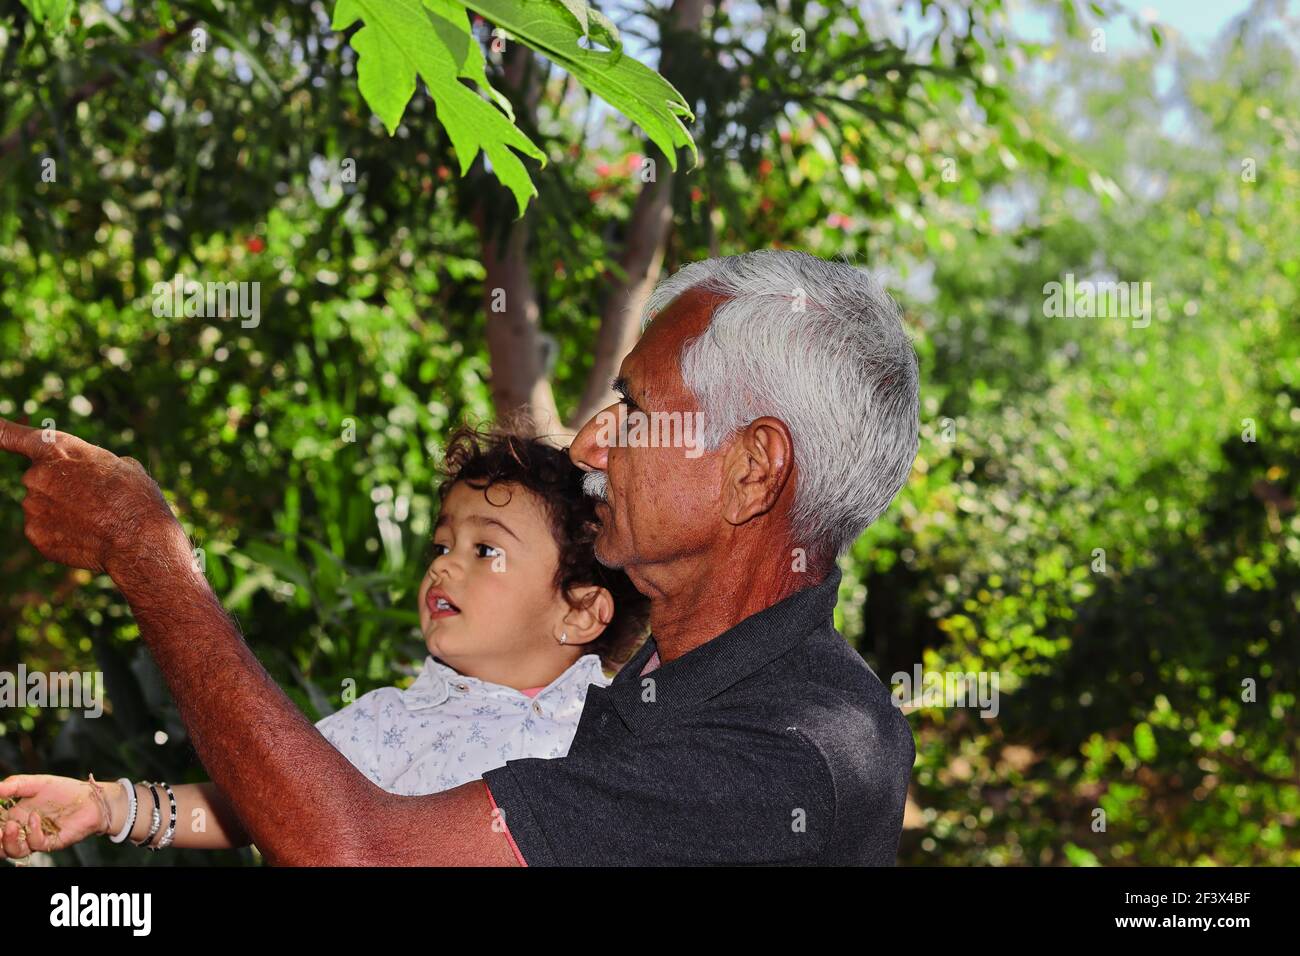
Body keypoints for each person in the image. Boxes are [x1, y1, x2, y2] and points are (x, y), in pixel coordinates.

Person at [0, 249, 920, 865]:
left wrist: (149, 555)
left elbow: (358, 850)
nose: (593, 445)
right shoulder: (665, 678)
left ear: (752, 471)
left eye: (636, 410)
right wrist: (125, 805)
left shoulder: (788, 754)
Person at [0, 424, 647, 854]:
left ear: (582, 612)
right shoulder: (391, 723)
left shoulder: (623, 735)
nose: (444, 564)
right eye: (443, 544)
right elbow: (260, 800)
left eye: (485, 549)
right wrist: (108, 804)